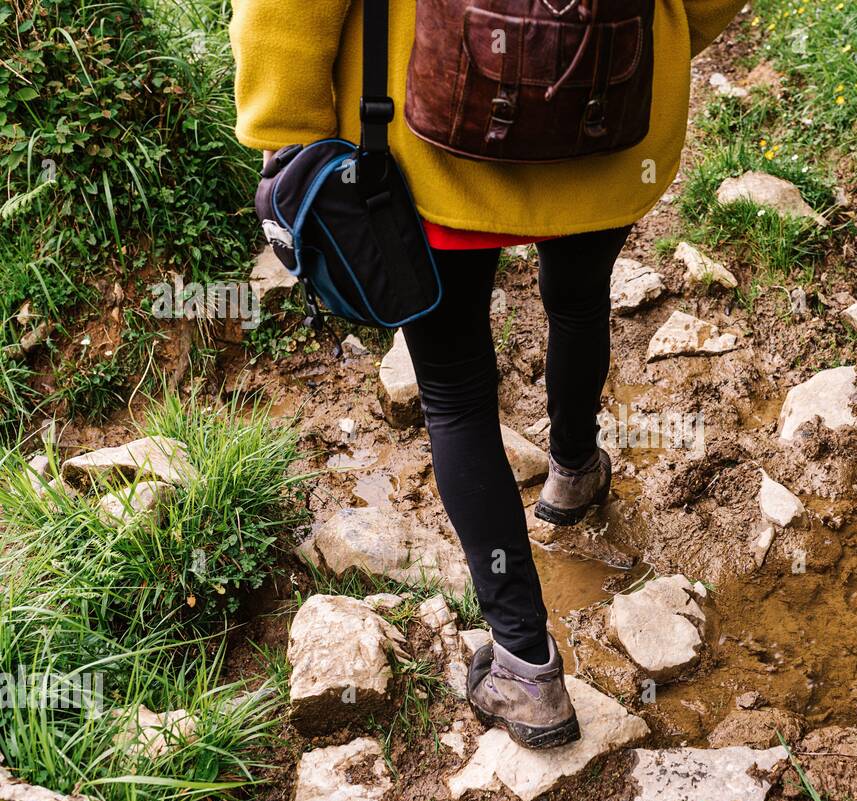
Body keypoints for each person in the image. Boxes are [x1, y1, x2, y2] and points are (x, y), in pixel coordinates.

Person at [230, 0, 745, 749]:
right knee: (578, 300)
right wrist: (657, 44)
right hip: (608, 115)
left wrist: (288, 128)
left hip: (428, 143)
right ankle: (572, 467)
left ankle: (526, 667)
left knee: (454, 390)